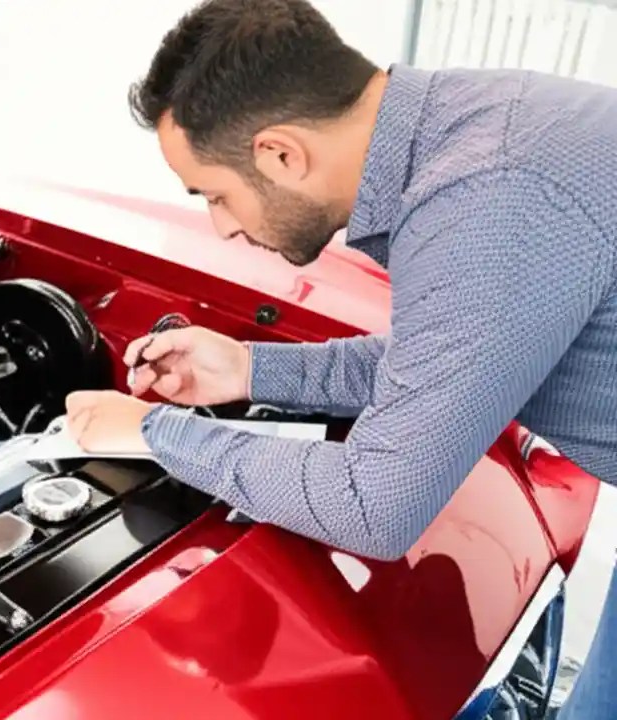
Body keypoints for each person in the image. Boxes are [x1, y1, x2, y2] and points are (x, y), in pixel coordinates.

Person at [61, 0, 617, 716]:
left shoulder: (487, 208)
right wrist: (251, 370)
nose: (221, 227)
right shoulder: (469, 126)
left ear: (280, 154)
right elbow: (446, 359)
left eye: (216, 195)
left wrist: (151, 433)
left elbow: (374, 507)